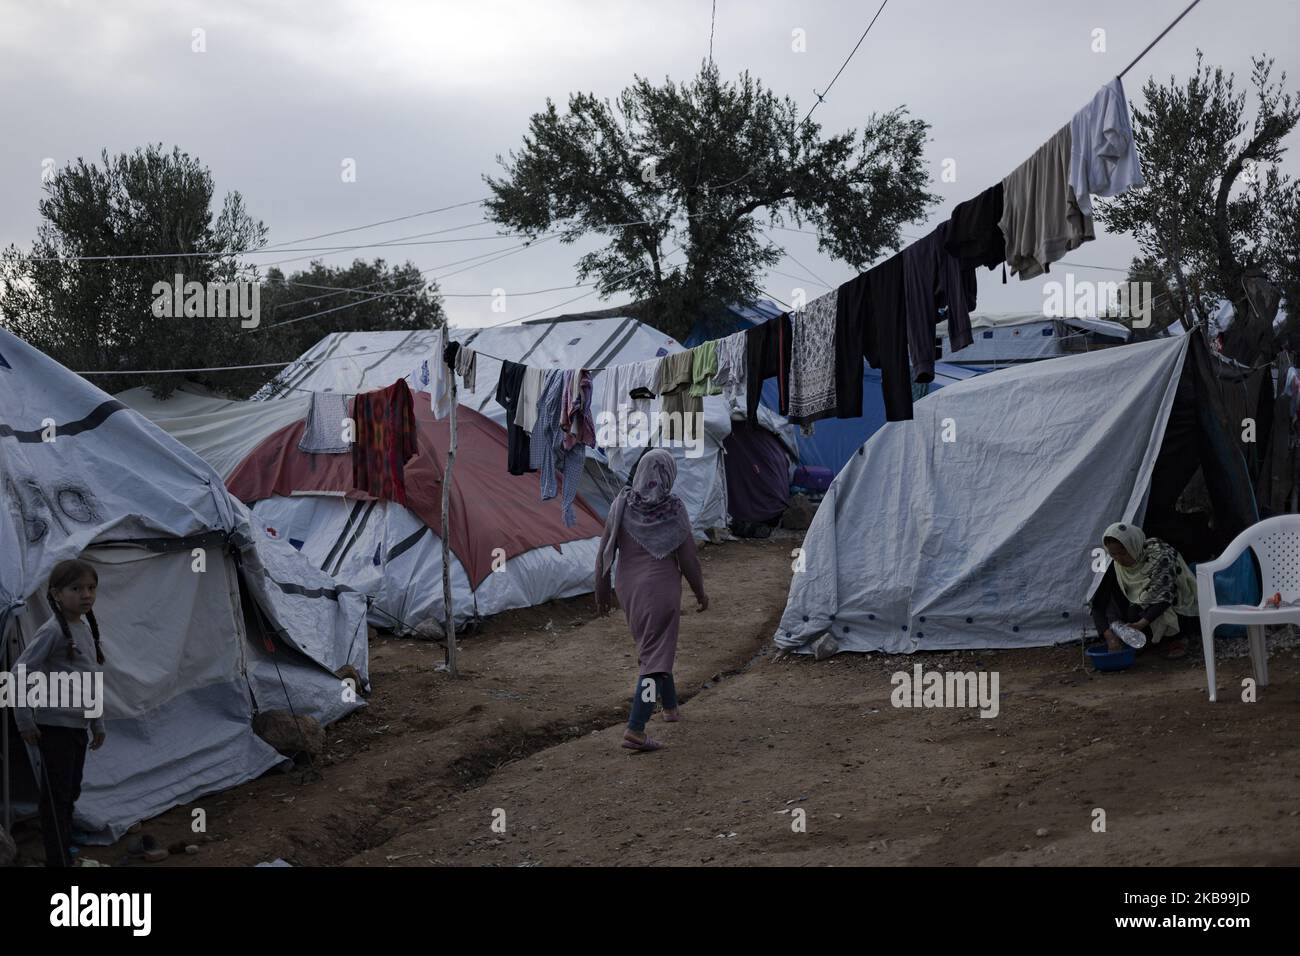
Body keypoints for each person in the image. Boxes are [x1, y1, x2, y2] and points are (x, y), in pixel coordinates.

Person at [595, 448, 708, 752]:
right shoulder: (673, 508)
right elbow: (689, 559)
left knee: (654, 648)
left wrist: (601, 590)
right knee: (654, 660)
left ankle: (670, 708)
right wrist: (700, 592)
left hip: (629, 592)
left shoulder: (622, 503)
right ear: (669, 475)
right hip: (661, 592)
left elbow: (604, 550)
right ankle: (636, 728)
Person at [15, 559, 108, 867]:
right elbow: (19, 673)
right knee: (56, 797)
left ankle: (64, 851)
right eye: (76, 588)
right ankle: (58, 861)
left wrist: (97, 723)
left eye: (91, 588)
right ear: (56, 594)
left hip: (77, 727)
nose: (86, 595)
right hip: (54, 727)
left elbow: (90, 679)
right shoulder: (52, 631)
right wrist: (24, 720)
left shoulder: (83, 629)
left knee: (70, 791)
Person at [1091, 522, 1198, 659]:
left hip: (1173, 602)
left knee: (1165, 607)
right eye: (1113, 554)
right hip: (1144, 605)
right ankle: (1148, 639)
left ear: (1133, 546)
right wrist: (1109, 636)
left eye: (1123, 553)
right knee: (1130, 609)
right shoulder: (1115, 564)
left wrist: (1140, 624)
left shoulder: (1160, 556)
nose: (1118, 559)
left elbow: (1165, 597)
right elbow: (1098, 602)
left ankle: (1177, 638)